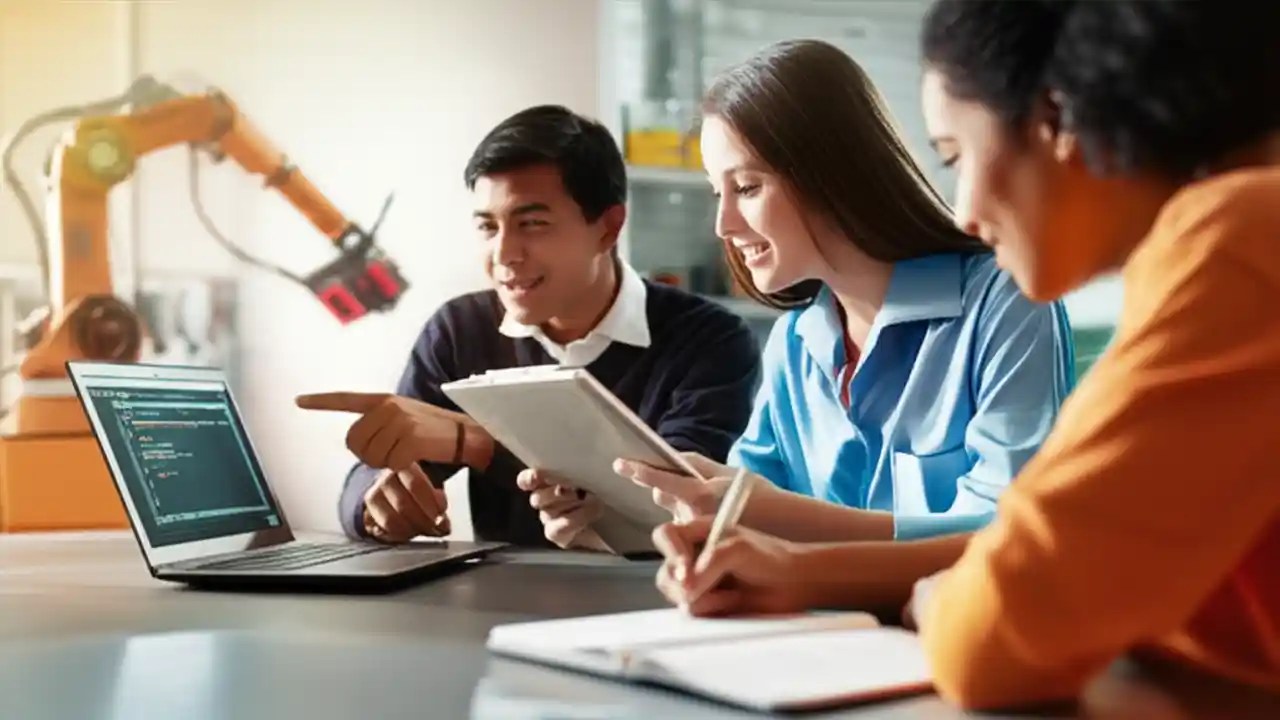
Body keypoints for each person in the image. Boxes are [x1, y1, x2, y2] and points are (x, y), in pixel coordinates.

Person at [654, 0, 1280, 710]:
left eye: (955, 155)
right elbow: (1051, 547)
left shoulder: (1241, 242)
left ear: (1055, 119)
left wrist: (932, 595)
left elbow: (995, 633)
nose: (963, 211)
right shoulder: (1228, 241)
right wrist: (805, 572)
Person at [532, 39, 1074, 607]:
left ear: (830, 173)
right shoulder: (796, 340)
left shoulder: (1004, 300)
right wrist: (618, 519)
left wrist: (769, 514)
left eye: (746, 188)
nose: (723, 224)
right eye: (720, 192)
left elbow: (1012, 538)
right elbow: (745, 527)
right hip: (813, 647)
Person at [297, 105, 760, 549]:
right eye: (488, 228)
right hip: (497, 607)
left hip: (656, 599)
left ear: (607, 228)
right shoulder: (460, 330)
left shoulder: (711, 340)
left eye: (532, 223)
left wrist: (478, 443)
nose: (504, 254)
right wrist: (378, 503)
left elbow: (670, 504)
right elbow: (371, 480)